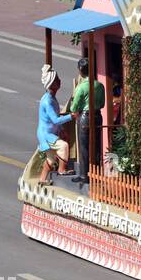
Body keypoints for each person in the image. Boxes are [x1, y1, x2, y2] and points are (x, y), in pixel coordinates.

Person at [68, 57, 105, 185]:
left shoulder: (81, 87)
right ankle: (96, 172)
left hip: (85, 117)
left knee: (84, 147)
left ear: (81, 71)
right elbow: (102, 103)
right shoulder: (100, 86)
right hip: (97, 116)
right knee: (97, 145)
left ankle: (84, 174)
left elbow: (74, 107)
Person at [37, 64, 74, 185]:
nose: (59, 81)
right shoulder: (48, 101)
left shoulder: (51, 98)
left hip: (47, 133)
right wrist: (72, 116)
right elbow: (56, 120)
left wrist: (62, 130)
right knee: (63, 146)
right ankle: (62, 170)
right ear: (52, 84)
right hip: (46, 134)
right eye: (57, 79)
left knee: (51, 158)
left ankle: (42, 179)